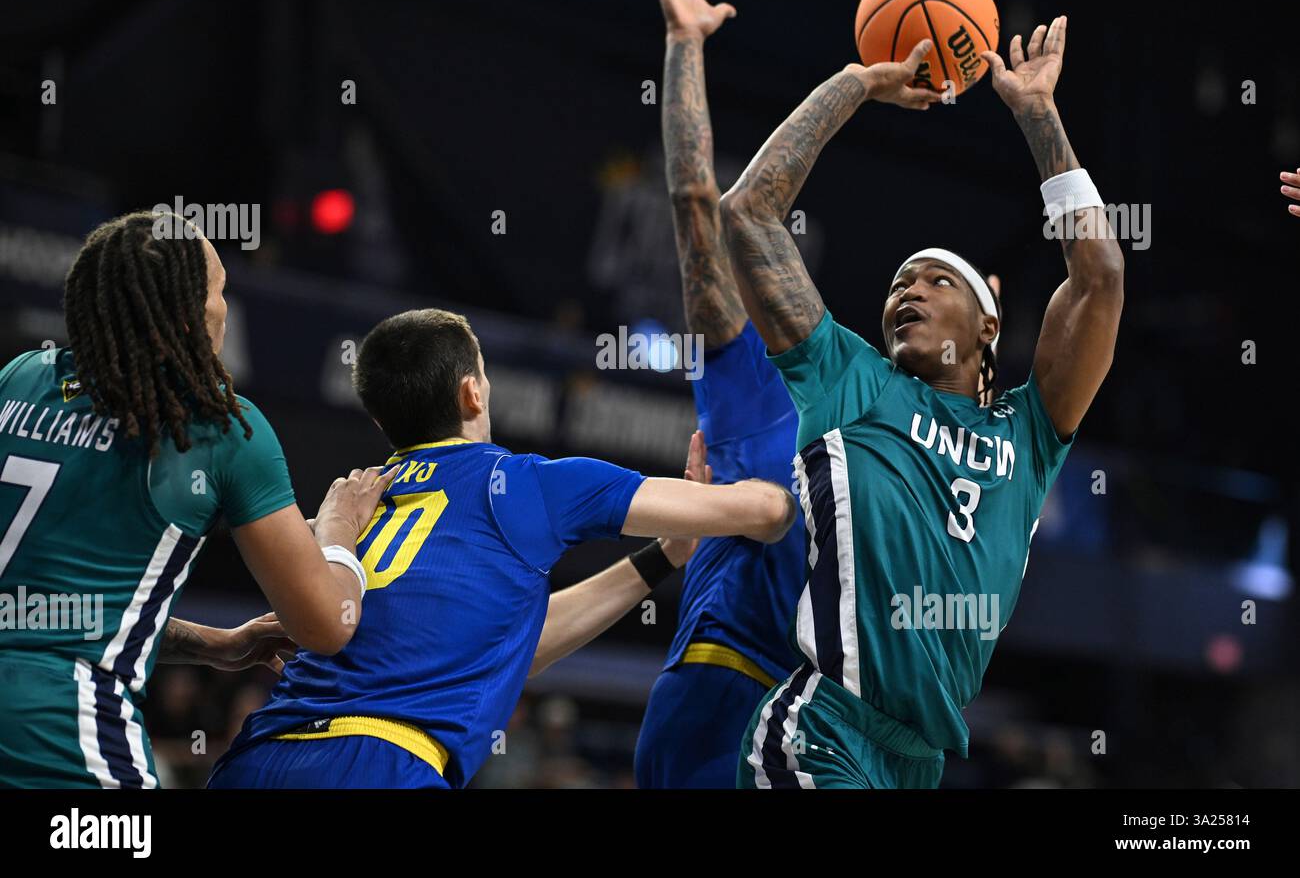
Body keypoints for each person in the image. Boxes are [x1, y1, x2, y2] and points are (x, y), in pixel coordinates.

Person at [721, 16, 1124, 787]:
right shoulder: (854, 380)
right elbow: (747, 215)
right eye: (899, 283)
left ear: (989, 327)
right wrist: (859, 82)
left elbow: (1100, 271)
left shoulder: (1031, 432)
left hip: (921, 762)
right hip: (827, 729)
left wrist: (1038, 116)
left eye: (937, 280)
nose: (909, 289)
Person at [208, 307, 797, 788]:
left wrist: (664, 556)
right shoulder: (527, 484)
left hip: (254, 758)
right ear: (472, 393)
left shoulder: (355, 503)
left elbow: (505, 650)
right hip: (384, 763)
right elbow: (766, 511)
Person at [0, 210, 388, 788]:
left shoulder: (20, 379)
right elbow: (328, 625)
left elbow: (52, 609)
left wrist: (212, 644)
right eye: (219, 290)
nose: (224, 309)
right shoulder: (217, 428)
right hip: (60, 741)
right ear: (185, 317)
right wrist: (336, 531)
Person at [631, 0, 807, 789]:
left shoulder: (889, 412)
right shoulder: (754, 387)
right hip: (723, 692)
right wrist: (684, 46)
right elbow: (698, 203)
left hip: (835, 715)